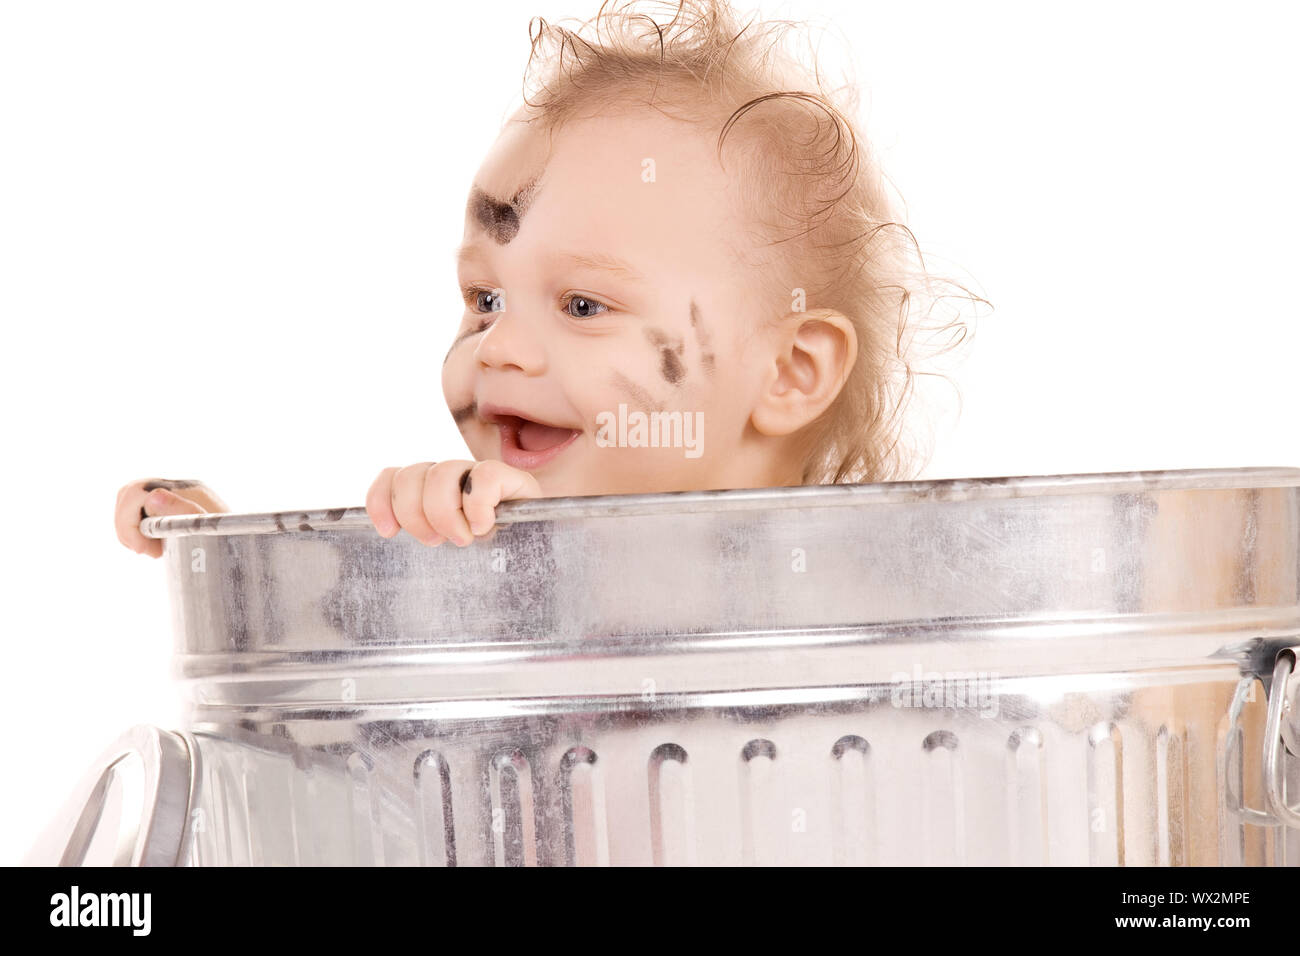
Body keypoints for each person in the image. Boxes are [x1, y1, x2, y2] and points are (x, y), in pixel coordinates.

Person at [115, 0, 978, 558]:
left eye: (582, 304)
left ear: (789, 370)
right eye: (484, 299)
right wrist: (226, 551)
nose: (502, 349)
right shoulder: (471, 537)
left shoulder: (867, 595)